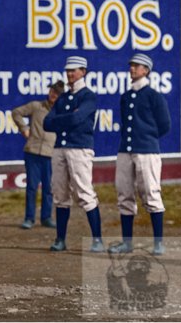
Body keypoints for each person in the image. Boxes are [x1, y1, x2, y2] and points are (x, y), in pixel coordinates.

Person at [108, 54, 171, 256]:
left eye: (137, 66)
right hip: (125, 150)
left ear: (146, 70)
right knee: (124, 194)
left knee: (151, 194)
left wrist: (147, 138)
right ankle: (127, 243)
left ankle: (158, 243)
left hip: (147, 151)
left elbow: (165, 125)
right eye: (131, 65)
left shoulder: (153, 95)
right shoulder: (126, 96)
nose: (132, 69)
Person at [43, 56, 104, 252]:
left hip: (80, 148)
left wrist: (63, 119)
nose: (70, 74)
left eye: (74, 70)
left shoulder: (88, 96)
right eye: (68, 70)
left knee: (85, 193)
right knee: (60, 194)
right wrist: (68, 118)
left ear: (83, 71)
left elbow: (78, 118)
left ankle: (97, 240)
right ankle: (60, 239)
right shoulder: (63, 97)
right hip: (60, 148)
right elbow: (47, 123)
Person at [11, 81, 64, 229]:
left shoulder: (62, 111)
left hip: (51, 154)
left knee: (48, 188)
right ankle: (29, 218)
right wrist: (24, 128)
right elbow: (16, 112)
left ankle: (46, 217)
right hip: (32, 152)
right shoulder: (36, 106)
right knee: (32, 187)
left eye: (57, 93)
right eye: (52, 91)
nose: (54, 94)